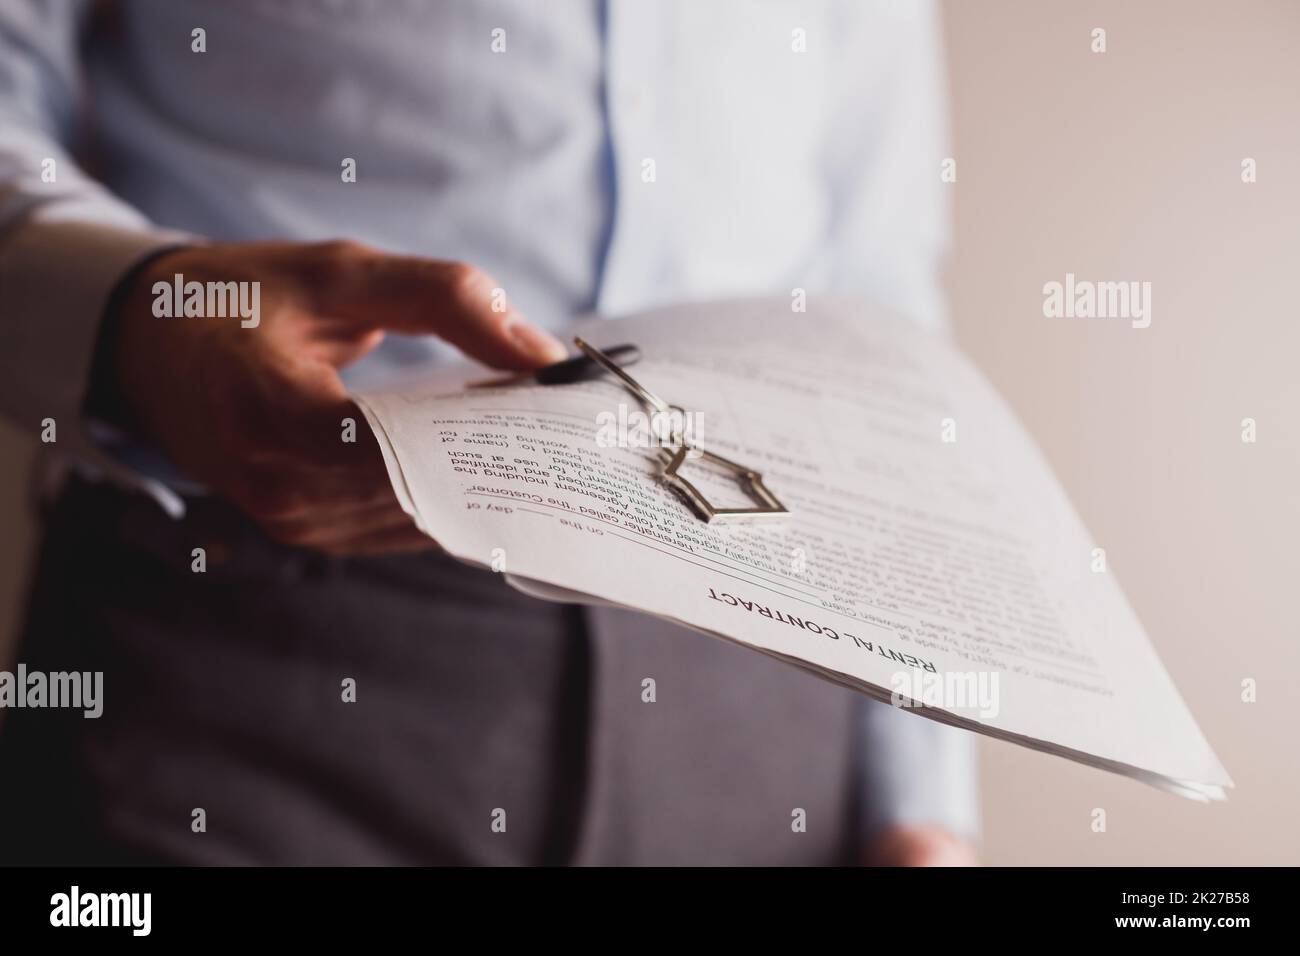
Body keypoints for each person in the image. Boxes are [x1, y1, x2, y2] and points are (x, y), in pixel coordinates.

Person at [0, 0, 978, 865]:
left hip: (759, 690)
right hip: (240, 648)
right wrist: (139, 314)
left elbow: (874, 280)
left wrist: (916, 795)